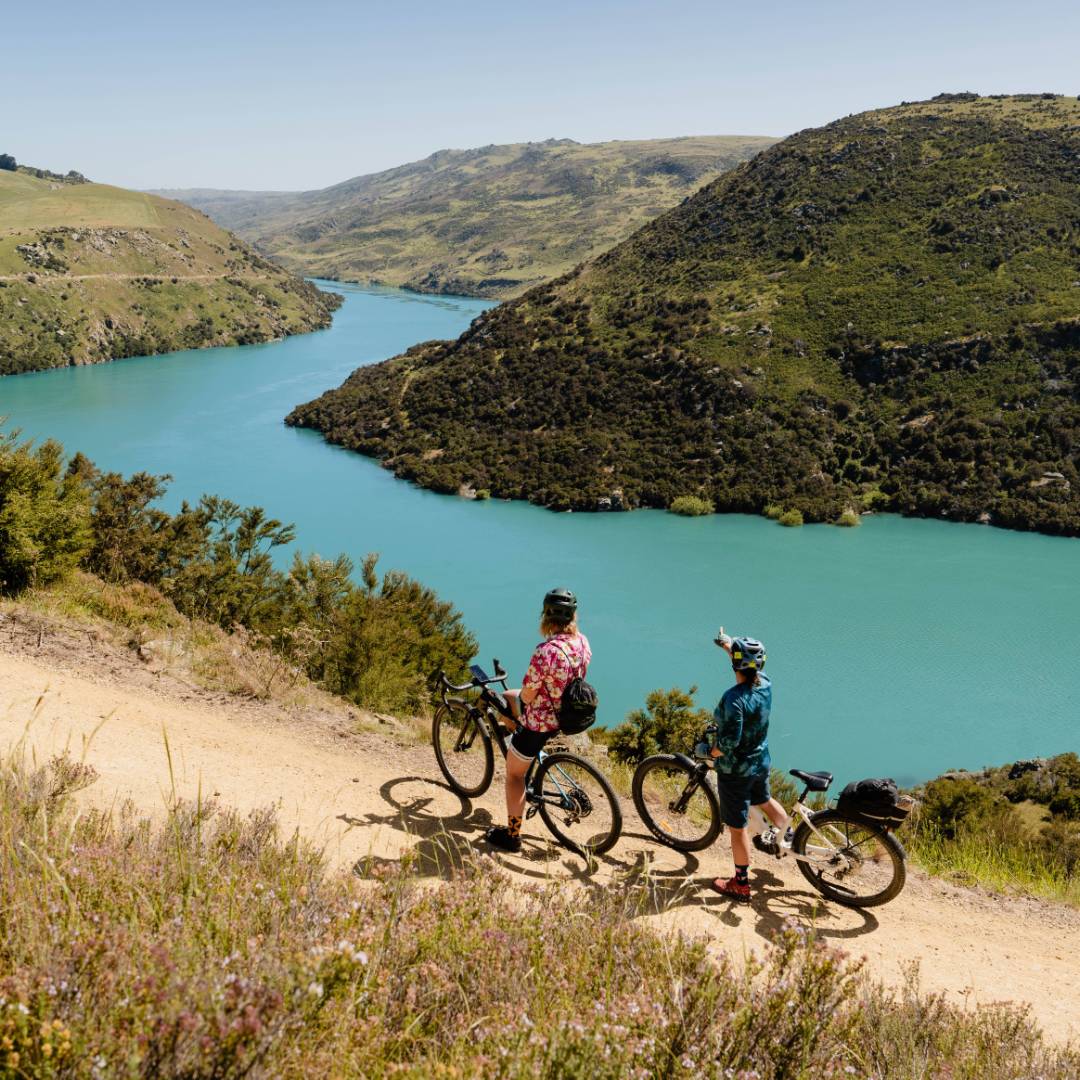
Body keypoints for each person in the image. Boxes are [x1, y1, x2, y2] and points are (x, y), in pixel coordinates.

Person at [485, 588, 592, 854]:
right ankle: (519, 747)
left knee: (513, 775)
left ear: (546, 617)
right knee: (510, 696)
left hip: (541, 722)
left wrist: (530, 696)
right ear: (573, 616)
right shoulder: (582, 643)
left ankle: (512, 835)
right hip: (567, 714)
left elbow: (530, 693)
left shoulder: (546, 651)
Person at [707, 628, 790, 902]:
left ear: (737, 664)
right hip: (760, 762)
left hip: (735, 772)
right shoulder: (766, 683)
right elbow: (747, 664)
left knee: (737, 826)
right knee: (764, 798)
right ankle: (788, 835)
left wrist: (711, 750)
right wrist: (728, 645)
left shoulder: (735, 698)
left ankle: (740, 884)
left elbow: (730, 740)